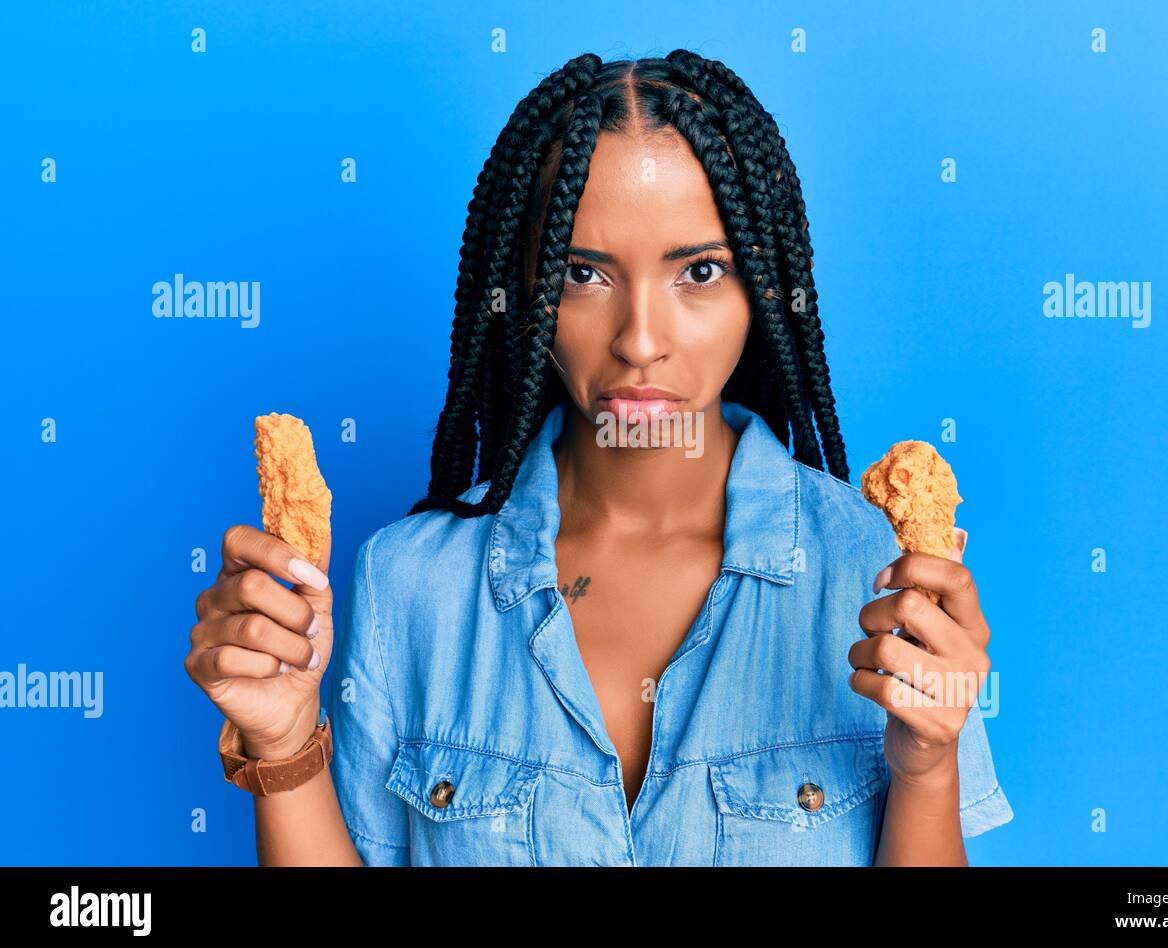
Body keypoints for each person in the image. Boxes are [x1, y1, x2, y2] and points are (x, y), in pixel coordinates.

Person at [186, 50, 1013, 866]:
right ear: (526, 290)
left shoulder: (879, 577)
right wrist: (284, 740)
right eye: (583, 272)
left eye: (699, 270)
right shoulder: (413, 583)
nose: (640, 340)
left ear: (761, 288)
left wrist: (926, 764)